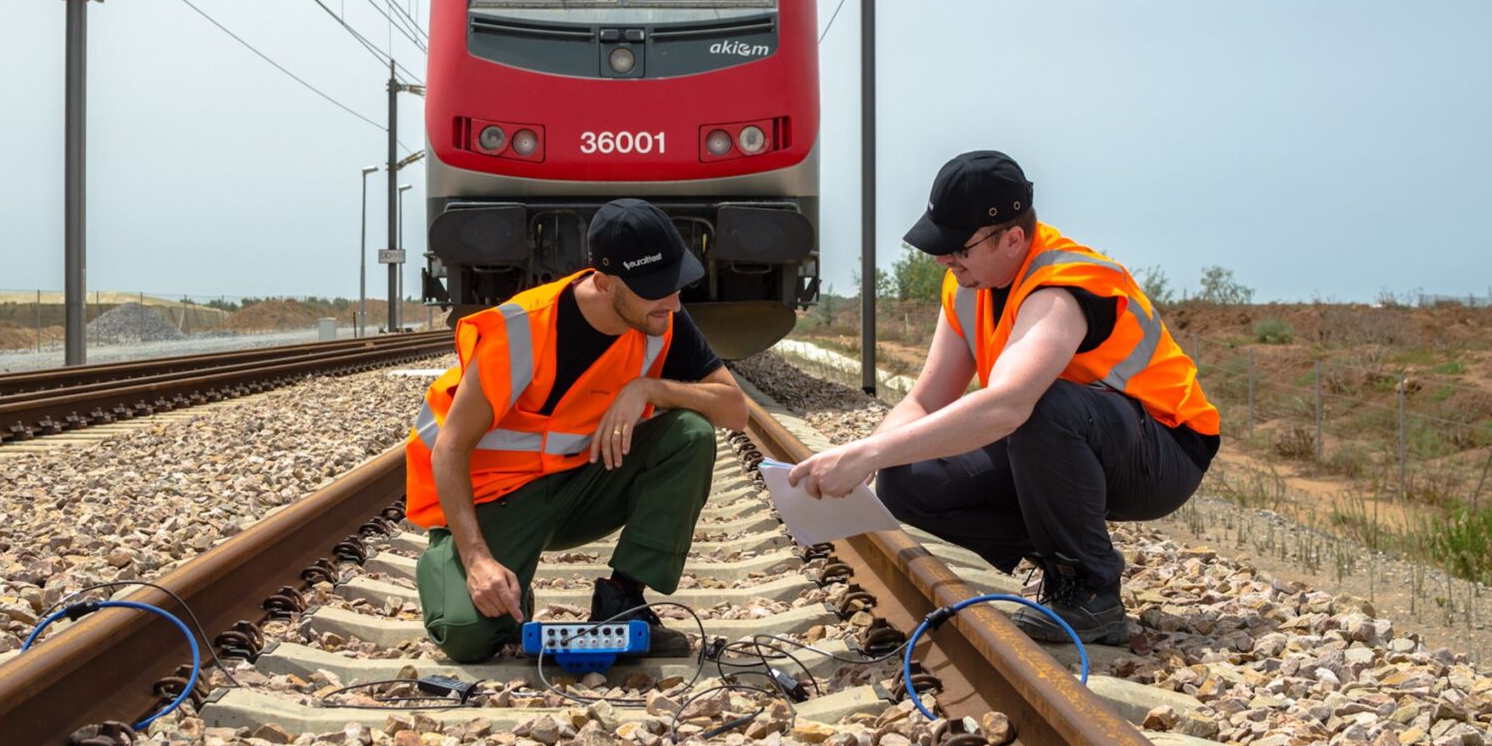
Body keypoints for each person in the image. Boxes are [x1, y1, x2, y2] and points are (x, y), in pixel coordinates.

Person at [789, 151, 1219, 646]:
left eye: (958, 248)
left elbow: (1009, 405)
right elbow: (926, 400)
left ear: (1013, 239)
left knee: (1045, 406)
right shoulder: (969, 285)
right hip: (1076, 446)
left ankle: (1091, 589)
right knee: (909, 478)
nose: (944, 260)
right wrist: (863, 463)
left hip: (1162, 454)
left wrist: (866, 451)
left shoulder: (1063, 285)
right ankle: (1057, 546)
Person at [404, 198, 748, 663]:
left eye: (676, 282)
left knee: (690, 432)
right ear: (603, 284)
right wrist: (477, 559)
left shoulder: (664, 318)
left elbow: (734, 410)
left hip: (582, 490)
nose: (672, 301)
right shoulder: (523, 329)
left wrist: (650, 389)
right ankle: (467, 565)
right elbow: (449, 449)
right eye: (654, 288)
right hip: (499, 499)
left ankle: (624, 601)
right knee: (467, 636)